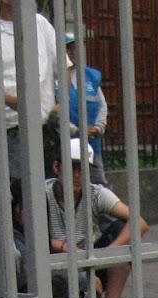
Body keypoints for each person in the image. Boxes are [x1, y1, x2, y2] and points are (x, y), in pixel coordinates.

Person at [44, 136, 148, 298]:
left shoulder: (95, 193)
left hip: (90, 260)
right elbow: (25, 233)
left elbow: (139, 223)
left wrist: (107, 255)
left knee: (121, 234)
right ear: (57, 167)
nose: (77, 175)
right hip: (53, 263)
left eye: (83, 169)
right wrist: (63, 247)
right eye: (72, 168)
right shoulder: (43, 192)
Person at [0, 0, 59, 183]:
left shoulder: (40, 24)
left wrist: (61, 103)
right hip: (10, 129)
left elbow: (64, 66)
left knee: (50, 189)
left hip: (45, 128)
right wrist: (10, 100)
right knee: (20, 193)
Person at [60, 29, 108, 187]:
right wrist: (76, 130)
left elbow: (102, 105)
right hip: (68, 144)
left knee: (98, 186)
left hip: (93, 144)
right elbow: (55, 113)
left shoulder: (91, 76)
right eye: (69, 48)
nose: (73, 52)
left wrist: (98, 128)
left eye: (76, 48)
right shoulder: (56, 78)